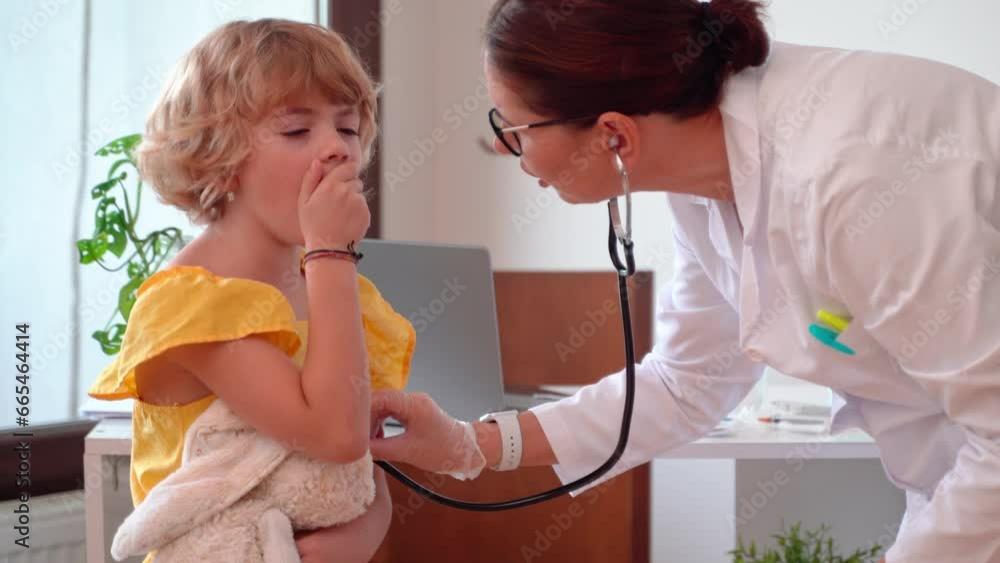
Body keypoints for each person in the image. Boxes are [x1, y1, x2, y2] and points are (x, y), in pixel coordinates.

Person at [369, 1, 1000, 561]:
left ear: (615, 134)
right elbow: (690, 381)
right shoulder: (708, 179)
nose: (510, 153)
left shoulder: (852, 175)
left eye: (516, 130)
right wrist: (470, 445)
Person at [86, 19, 415, 562]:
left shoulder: (328, 288)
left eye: (348, 128)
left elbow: (356, 465)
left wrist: (370, 523)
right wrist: (331, 253)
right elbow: (335, 434)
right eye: (296, 131)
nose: (337, 149)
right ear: (220, 156)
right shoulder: (190, 306)